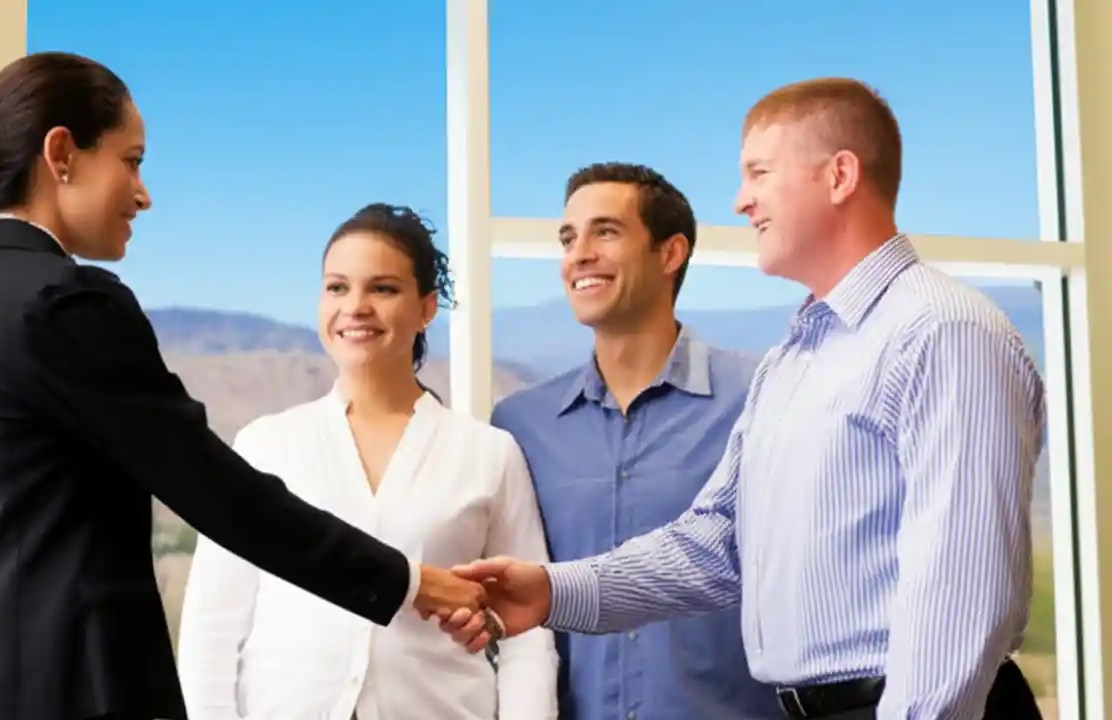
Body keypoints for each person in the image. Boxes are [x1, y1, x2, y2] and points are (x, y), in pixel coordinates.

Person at [0, 52, 486, 720]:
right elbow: (220, 494)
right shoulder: (66, 305)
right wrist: (405, 581)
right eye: (130, 161)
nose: (143, 193)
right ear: (61, 153)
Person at [442, 78, 1047, 720]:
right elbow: (717, 543)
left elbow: (960, 594)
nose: (741, 201)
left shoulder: (942, 332)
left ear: (840, 175)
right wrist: (554, 591)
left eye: (759, 172)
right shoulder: (793, 359)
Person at [175, 202, 559, 719]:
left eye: (383, 288)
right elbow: (212, 629)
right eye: (337, 287)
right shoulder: (266, 445)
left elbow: (528, 639)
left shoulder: (488, 453)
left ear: (426, 308)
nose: (355, 306)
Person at [488, 162, 781, 719]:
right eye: (569, 238)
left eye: (606, 232)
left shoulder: (762, 398)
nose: (578, 254)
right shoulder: (519, 426)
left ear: (670, 254)